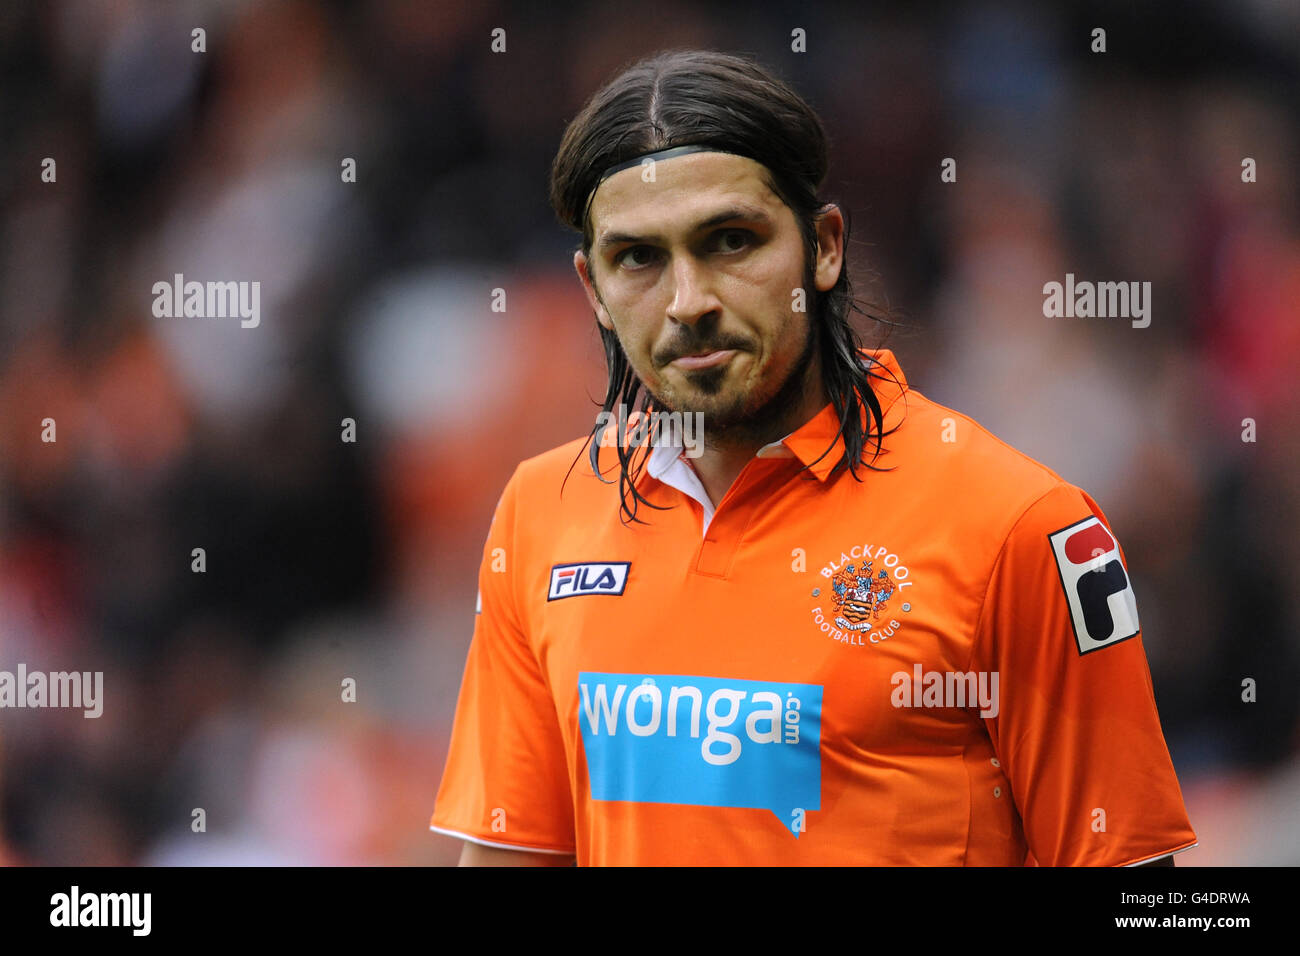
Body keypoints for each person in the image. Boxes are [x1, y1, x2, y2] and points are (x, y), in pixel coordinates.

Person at [428, 49, 1197, 866]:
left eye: (730, 240)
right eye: (638, 258)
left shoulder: (1023, 528)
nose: (688, 302)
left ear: (823, 248)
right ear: (593, 292)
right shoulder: (542, 512)